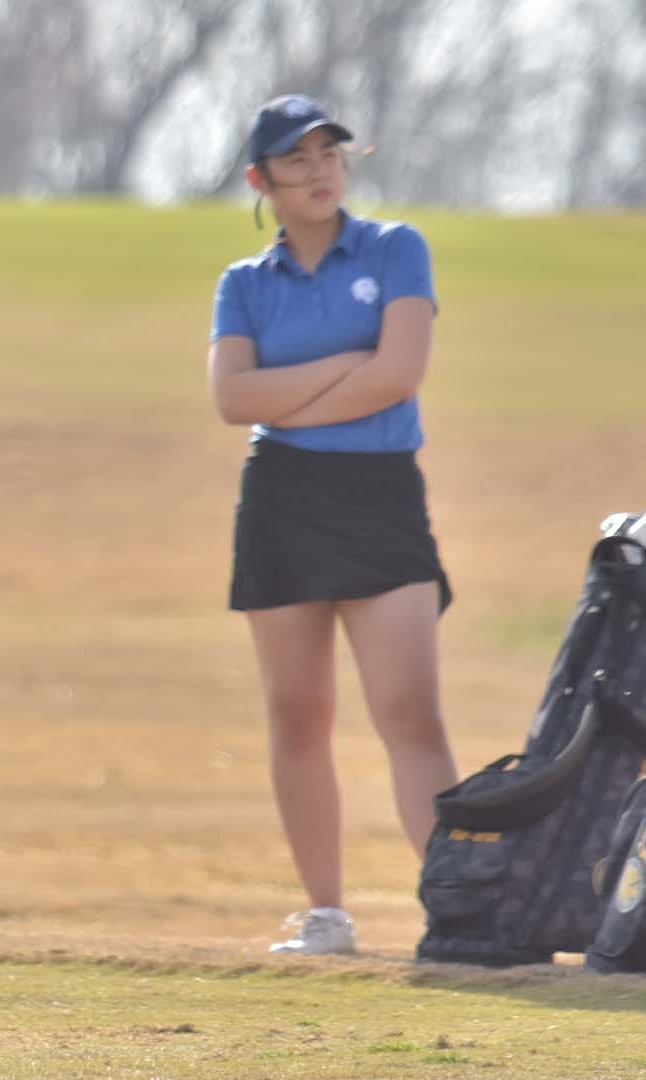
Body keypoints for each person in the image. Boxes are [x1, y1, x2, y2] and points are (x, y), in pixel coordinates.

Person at [207, 95, 460, 956]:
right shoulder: (243, 284)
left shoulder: (396, 249)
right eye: (295, 159)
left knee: (409, 713)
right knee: (298, 714)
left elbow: (400, 375)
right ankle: (326, 915)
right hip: (280, 498)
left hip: (381, 495)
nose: (317, 171)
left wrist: (297, 396)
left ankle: (456, 914)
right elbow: (230, 400)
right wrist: (344, 366)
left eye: (329, 153)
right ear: (260, 180)